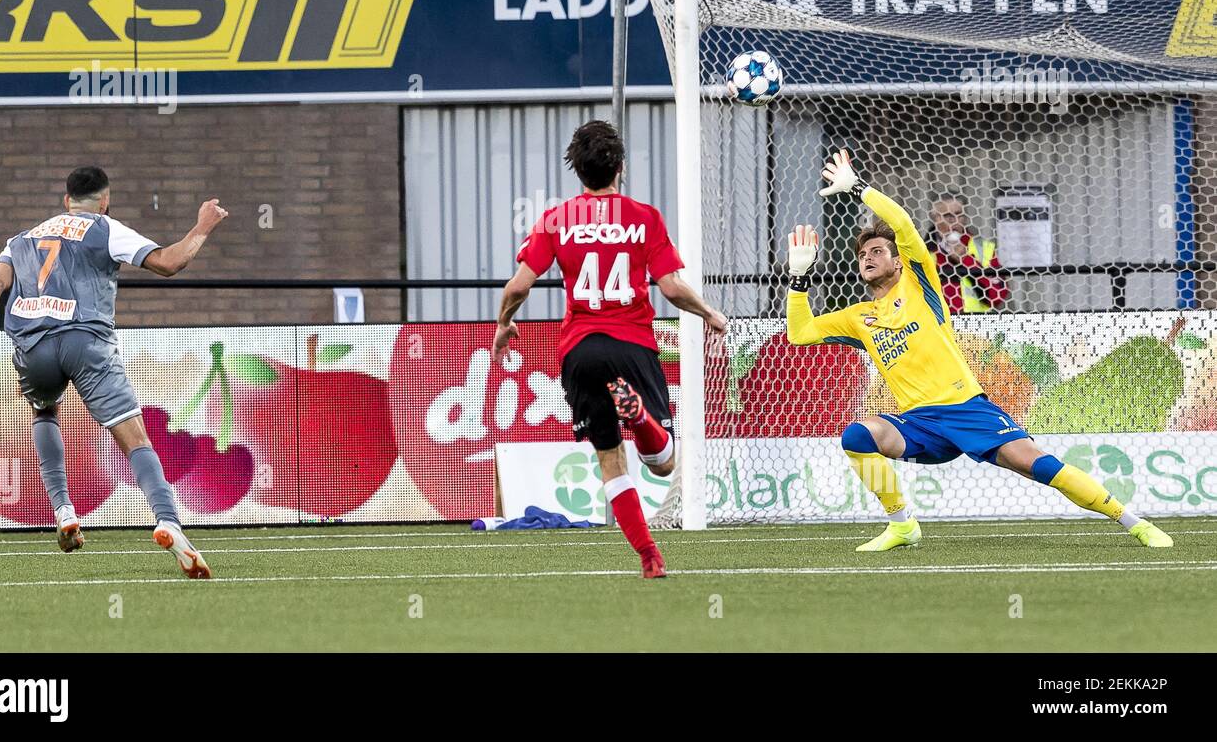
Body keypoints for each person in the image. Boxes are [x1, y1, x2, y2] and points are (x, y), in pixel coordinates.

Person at [785, 149, 1172, 551]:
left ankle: (1134, 522)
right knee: (858, 436)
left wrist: (859, 189)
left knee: (1038, 466)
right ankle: (902, 525)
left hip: (966, 410)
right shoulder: (857, 318)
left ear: (899, 262)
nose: (868, 258)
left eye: (878, 251)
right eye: (863, 255)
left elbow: (901, 224)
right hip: (919, 425)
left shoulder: (919, 285)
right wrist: (799, 278)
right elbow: (800, 332)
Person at [0, 167, 229, 577]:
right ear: (104, 200)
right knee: (134, 437)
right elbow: (169, 262)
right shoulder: (106, 228)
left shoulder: (21, 239)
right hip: (86, 343)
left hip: (33, 347)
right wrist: (202, 226)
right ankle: (167, 520)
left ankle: (64, 510)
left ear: (65, 200)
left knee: (43, 410)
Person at [492, 120, 727, 578]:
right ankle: (639, 419)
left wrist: (504, 324)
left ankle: (649, 557)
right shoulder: (644, 217)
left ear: (578, 173)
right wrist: (708, 313)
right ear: (621, 167)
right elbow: (672, 288)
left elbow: (519, 284)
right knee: (663, 464)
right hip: (631, 345)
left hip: (579, 350)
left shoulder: (557, 219)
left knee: (609, 460)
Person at [925, 194, 1008, 314]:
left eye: (959, 214)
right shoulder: (923, 252)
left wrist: (966, 260)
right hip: (938, 327)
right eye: (948, 216)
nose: (954, 221)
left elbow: (997, 296)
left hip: (976, 324)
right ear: (936, 218)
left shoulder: (983, 248)